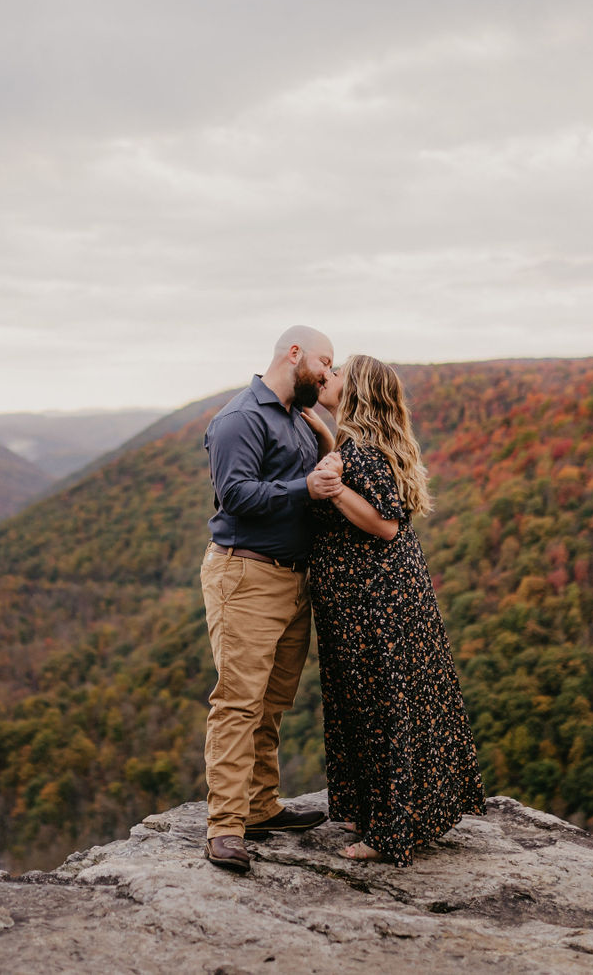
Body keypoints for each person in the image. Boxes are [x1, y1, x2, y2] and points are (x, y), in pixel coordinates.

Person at [301, 354, 484, 864]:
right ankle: (381, 811)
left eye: (337, 375)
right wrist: (319, 429)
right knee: (382, 701)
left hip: (372, 600)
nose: (328, 377)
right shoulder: (363, 444)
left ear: (355, 390)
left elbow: (385, 525)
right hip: (380, 595)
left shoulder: (361, 453)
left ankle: (387, 832)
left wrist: (334, 490)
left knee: (379, 705)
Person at [199, 325, 344, 872]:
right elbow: (234, 495)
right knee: (238, 701)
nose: (329, 375)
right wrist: (304, 489)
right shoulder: (242, 418)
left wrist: (327, 442)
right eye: (325, 363)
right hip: (247, 576)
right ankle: (226, 826)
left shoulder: (296, 417)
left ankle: (260, 805)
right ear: (294, 353)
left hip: (293, 579)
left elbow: (309, 472)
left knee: (273, 700)